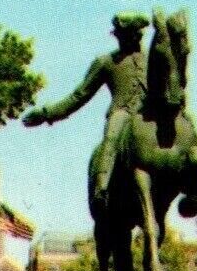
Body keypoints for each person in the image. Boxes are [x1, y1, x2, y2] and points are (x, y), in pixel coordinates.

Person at [21, 11, 151, 209]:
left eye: (127, 35)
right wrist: (46, 113)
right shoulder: (106, 62)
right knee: (113, 135)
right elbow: (79, 96)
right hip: (123, 112)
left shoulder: (153, 61)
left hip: (150, 115)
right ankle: (102, 188)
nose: (123, 39)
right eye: (119, 35)